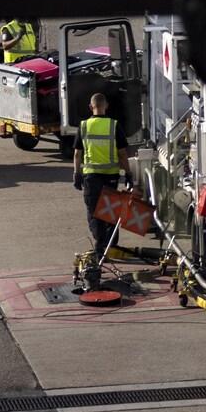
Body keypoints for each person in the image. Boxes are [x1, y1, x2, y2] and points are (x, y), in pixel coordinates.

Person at [72, 91, 125, 291]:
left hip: (92, 177)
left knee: (94, 212)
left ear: (90, 106)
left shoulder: (84, 126)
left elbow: (77, 153)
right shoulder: (114, 124)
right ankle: (109, 244)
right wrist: (127, 173)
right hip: (110, 176)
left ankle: (101, 245)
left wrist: (76, 174)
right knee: (111, 211)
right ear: (106, 106)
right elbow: (122, 153)